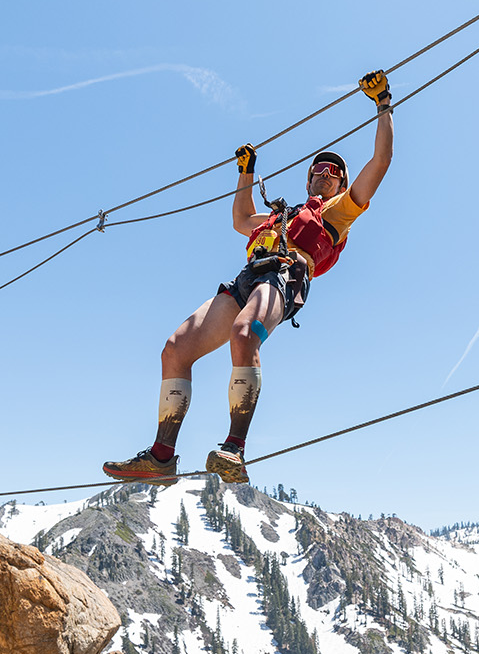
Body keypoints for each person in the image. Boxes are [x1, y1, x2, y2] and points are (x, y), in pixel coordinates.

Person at [103, 70, 395, 486]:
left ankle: (234, 450)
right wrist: (246, 172)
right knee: (175, 348)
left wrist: (383, 104)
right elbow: (241, 218)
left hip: (284, 277)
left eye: (333, 170)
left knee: (244, 335)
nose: (323, 172)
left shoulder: (338, 212)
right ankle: (161, 456)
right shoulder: (282, 216)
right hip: (247, 279)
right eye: (317, 168)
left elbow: (380, 163)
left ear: (342, 184)